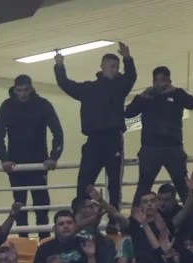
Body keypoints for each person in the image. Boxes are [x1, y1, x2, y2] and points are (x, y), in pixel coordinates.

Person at [53, 42, 135, 207]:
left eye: (117, 66)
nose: (115, 69)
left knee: (114, 182)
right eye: (112, 66)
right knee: (84, 180)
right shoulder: (88, 88)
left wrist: (127, 59)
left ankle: (114, 219)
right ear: (102, 67)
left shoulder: (120, 86)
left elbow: (131, 77)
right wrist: (59, 66)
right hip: (94, 138)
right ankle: (81, 213)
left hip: (113, 137)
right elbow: (65, 84)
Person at [0, 76, 63, 234]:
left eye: (25, 90)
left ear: (31, 89)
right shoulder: (7, 106)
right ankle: (23, 240)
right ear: (14, 89)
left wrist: (54, 157)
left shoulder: (43, 105)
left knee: (42, 205)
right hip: (16, 165)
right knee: (19, 205)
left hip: (39, 163)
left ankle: (44, 239)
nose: (22, 94)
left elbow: (57, 132)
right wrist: (4, 159)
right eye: (19, 90)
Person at [125, 66, 193, 200]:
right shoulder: (147, 97)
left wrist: (176, 91)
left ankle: (192, 216)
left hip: (173, 147)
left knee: (182, 185)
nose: (160, 84)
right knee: (144, 186)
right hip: (151, 148)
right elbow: (129, 113)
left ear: (169, 81)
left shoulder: (177, 94)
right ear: (153, 82)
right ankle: (135, 218)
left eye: (164, 80)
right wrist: (142, 97)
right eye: (157, 81)